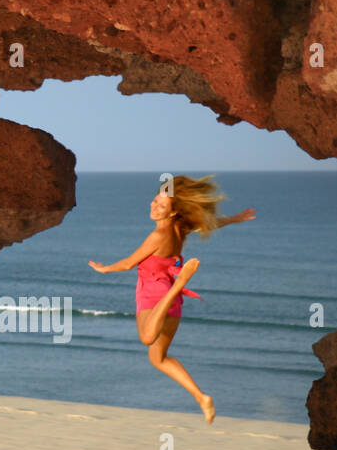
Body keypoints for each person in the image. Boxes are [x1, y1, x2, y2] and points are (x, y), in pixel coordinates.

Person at [88, 175, 255, 423]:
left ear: (174, 212)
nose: (155, 207)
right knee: (158, 358)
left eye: (162, 206)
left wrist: (105, 269)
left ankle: (180, 284)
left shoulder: (158, 235)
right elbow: (207, 224)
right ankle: (202, 397)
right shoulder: (180, 228)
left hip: (156, 295)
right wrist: (234, 219)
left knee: (147, 338)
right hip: (171, 302)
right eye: (155, 201)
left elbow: (129, 263)